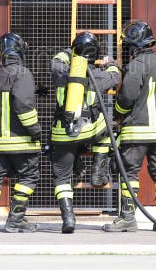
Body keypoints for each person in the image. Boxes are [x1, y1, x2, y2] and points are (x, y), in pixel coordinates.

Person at [104, 21, 156, 233]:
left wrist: (117, 114)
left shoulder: (136, 66)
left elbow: (127, 98)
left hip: (137, 131)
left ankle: (127, 218)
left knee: (129, 173)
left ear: (134, 44)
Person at [51, 31, 121, 233]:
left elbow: (57, 60)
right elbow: (115, 77)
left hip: (62, 134)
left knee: (62, 179)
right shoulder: (98, 76)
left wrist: (71, 51)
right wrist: (110, 63)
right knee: (108, 128)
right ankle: (98, 169)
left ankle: (68, 218)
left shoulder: (61, 72)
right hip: (89, 131)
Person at [0, 32, 42, 234]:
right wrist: (36, 131)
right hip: (21, 141)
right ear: (21, 50)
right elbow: (23, 105)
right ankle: (15, 220)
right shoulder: (22, 73)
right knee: (28, 177)